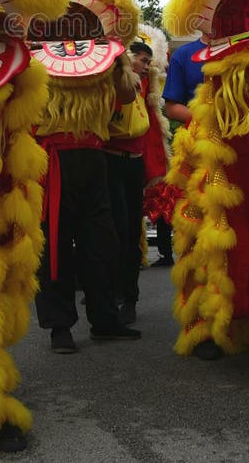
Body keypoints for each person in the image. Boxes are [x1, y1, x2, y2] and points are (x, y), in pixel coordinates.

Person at [29, 0, 143, 353]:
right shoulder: (31, 58)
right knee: (55, 245)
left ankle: (104, 318)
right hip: (53, 159)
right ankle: (59, 326)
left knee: (102, 243)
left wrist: (119, 59)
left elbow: (127, 98)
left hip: (95, 155)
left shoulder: (107, 57)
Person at [104, 40, 152, 324]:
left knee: (132, 230)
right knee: (114, 230)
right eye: (143, 61)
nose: (146, 67)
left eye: (149, 63)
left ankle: (129, 296)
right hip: (109, 161)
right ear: (128, 58)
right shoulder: (110, 82)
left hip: (135, 163)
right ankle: (112, 291)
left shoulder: (147, 87)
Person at [152, 37, 206, 266]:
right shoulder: (184, 54)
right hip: (198, 145)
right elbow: (172, 106)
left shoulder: (246, 46)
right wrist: (207, 118)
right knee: (197, 217)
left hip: (242, 142)